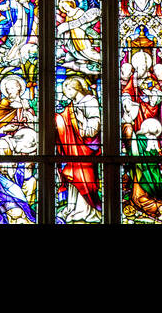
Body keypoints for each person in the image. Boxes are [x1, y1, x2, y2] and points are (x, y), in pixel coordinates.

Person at [54, 75, 102, 222]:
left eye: (67, 89)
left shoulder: (90, 101)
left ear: (75, 88)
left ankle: (86, 210)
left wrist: (82, 123)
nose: (65, 93)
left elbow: (95, 125)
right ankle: (72, 207)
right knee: (73, 175)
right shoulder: (71, 105)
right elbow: (64, 121)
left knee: (84, 177)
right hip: (73, 148)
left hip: (86, 148)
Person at [0, 127, 38, 223]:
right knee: (16, 213)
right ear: (23, 144)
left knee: (31, 182)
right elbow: (3, 168)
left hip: (9, 184)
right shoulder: (2, 144)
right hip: (0, 187)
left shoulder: (13, 148)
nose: (23, 152)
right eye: (25, 149)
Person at [125, 118, 162, 222]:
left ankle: (159, 208)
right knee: (139, 196)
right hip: (149, 172)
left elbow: (134, 152)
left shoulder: (140, 138)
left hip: (145, 172)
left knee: (139, 197)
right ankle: (158, 209)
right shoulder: (149, 140)